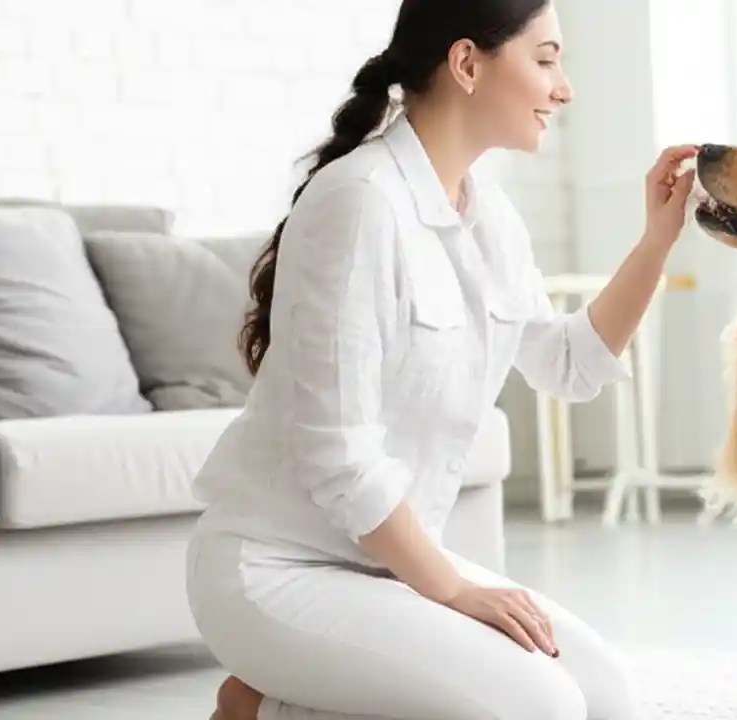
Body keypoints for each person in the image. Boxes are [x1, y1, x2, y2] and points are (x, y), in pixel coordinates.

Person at [185, 1, 696, 718]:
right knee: (541, 707)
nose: (564, 87)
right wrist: (455, 592)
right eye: (546, 59)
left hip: (378, 565)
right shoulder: (360, 203)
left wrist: (656, 242)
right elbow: (339, 455)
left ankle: (273, 707)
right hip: (276, 568)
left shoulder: (488, 218)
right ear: (466, 64)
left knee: (602, 694)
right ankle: (264, 705)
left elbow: (568, 367)